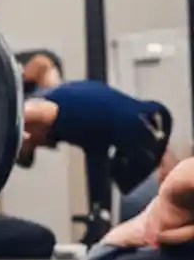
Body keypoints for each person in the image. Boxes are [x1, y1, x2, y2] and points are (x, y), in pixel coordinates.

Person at [18, 80, 174, 196]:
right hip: (150, 118)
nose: (42, 145)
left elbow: (21, 112)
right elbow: (96, 163)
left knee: (129, 183)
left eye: (35, 144)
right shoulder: (81, 130)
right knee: (117, 177)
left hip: (142, 122)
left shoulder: (50, 108)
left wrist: (4, 133)